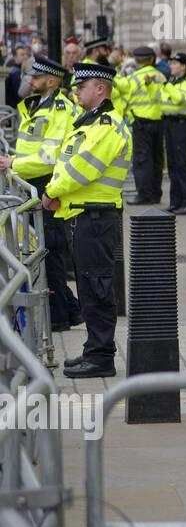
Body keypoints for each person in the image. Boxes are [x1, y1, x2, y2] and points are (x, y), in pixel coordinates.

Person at [44, 62, 132, 378]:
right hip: (82, 216)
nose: (76, 91)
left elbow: (83, 168)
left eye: (82, 86)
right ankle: (93, 351)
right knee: (89, 287)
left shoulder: (107, 125)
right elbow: (66, 162)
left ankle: (101, 357)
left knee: (97, 288)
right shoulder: (89, 123)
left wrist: (52, 190)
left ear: (100, 88)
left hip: (95, 217)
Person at [0, 55, 81, 330]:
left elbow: (49, 156)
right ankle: (69, 309)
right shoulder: (36, 106)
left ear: (50, 81)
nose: (29, 81)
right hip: (33, 184)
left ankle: (59, 316)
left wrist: (14, 164)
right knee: (44, 249)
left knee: (51, 250)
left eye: (34, 78)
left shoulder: (59, 109)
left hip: (48, 183)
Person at [124, 45, 167, 205]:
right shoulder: (160, 76)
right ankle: (156, 193)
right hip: (159, 121)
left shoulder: (132, 78)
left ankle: (144, 194)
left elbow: (125, 101)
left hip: (141, 123)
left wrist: (130, 117)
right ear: (151, 59)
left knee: (142, 160)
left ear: (136, 60)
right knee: (157, 159)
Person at [159, 51, 186, 215]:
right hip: (169, 123)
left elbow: (179, 100)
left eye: (175, 63)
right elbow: (164, 101)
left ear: (183, 67)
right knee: (173, 165)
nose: (171, 66)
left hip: (182, 124)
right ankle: (176, 202)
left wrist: (167, 86)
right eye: (171, 63)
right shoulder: (174, 82)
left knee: (183, 163)